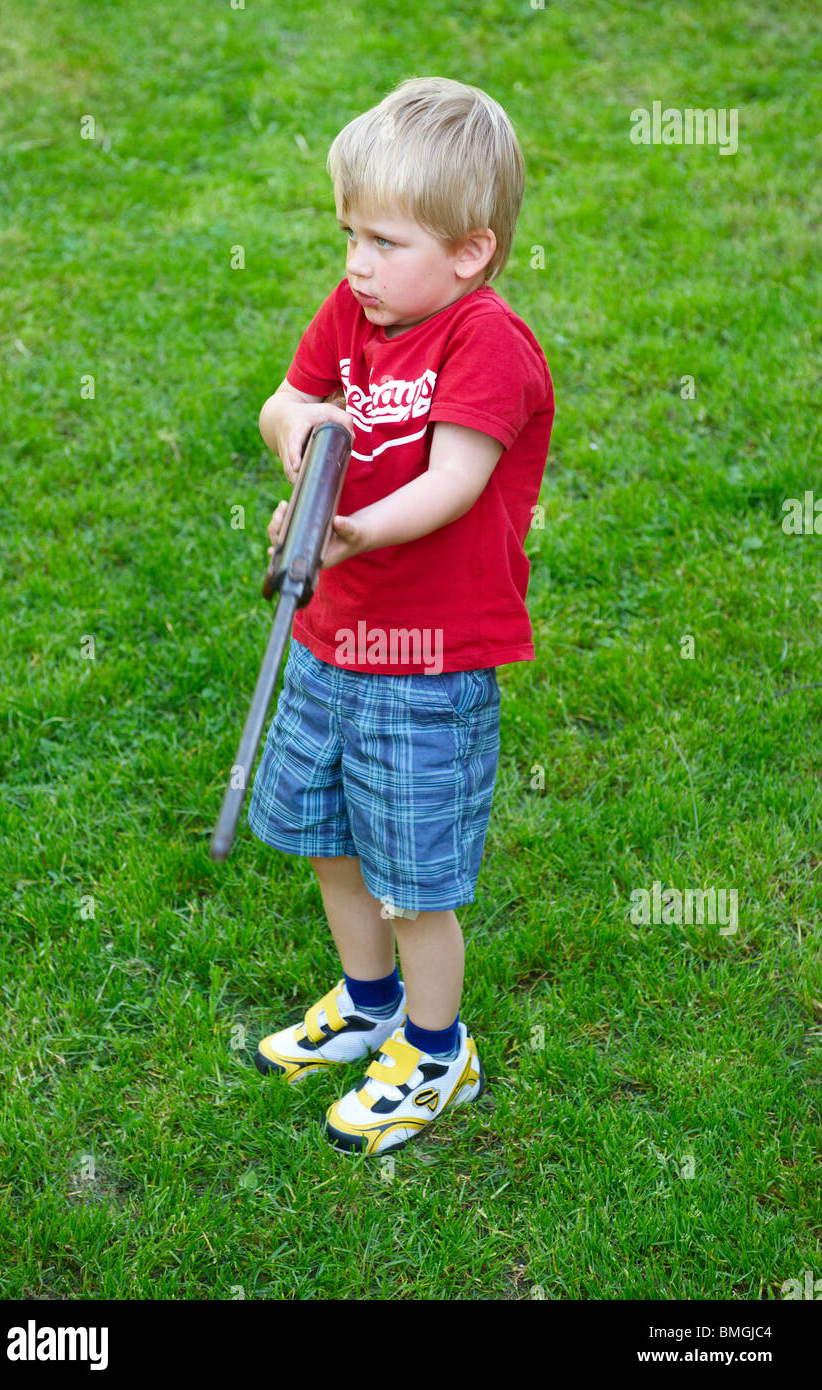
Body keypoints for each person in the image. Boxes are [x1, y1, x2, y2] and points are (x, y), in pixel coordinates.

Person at [247, 76, 554, 1156]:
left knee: (412, 878)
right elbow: (283, 400)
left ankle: (436, 1048)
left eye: (382, 241)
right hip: (330, 639)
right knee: (329, 839)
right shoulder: (360, 311)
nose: (355, 266)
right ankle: (368, 1003)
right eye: (347, 235)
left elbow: (454, 481)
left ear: (468, 252)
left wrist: (354, 528)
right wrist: (303, 434)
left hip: (428, 661)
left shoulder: (486, 344)